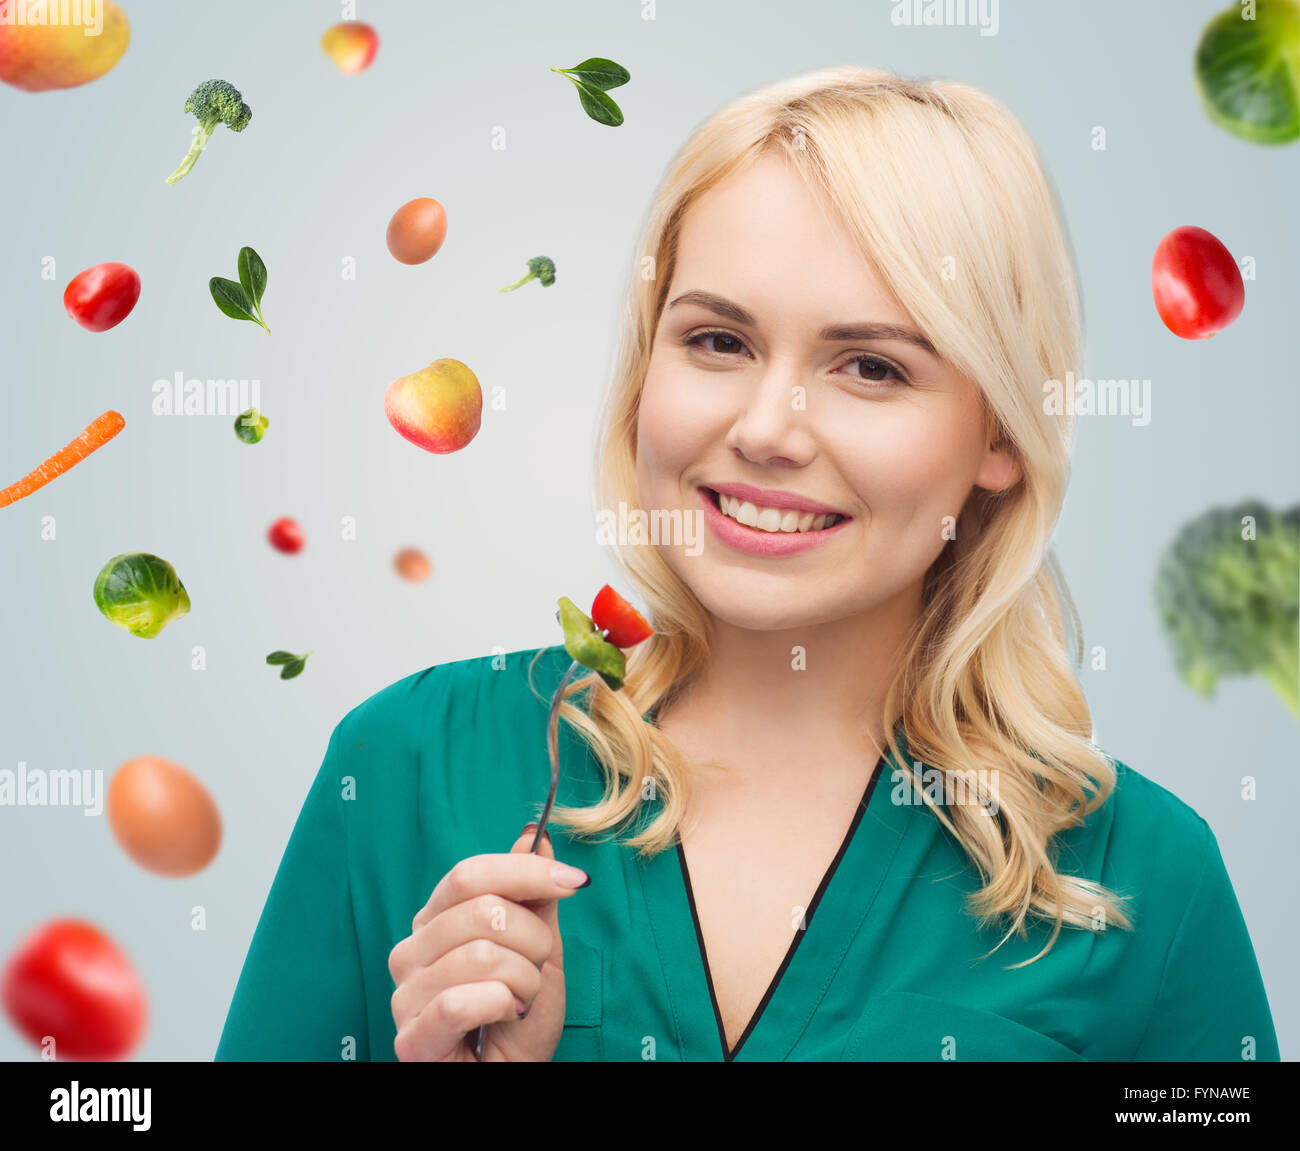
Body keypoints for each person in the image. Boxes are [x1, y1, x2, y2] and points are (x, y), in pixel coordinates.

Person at [214, 66, 1280, 1062]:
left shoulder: (1143, 879)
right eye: (718, 342)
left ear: (1000, 434)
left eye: (869, 366)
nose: (769, 427)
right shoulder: (409, 768)